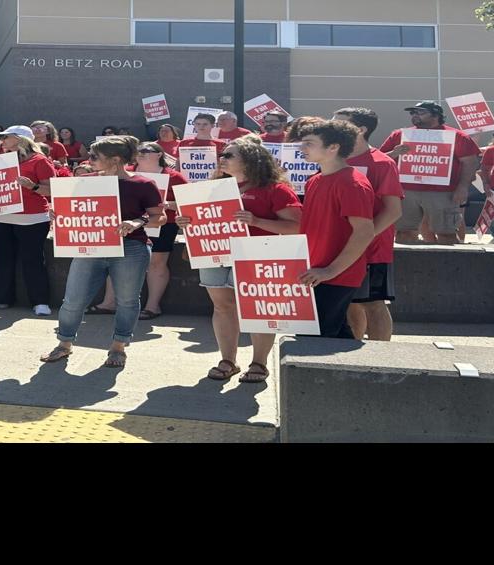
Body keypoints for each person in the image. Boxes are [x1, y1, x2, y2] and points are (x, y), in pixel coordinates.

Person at [176, 138, 301, 384]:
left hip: (256, 255)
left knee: (258, 309)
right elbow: (203, 220)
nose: (222, 158)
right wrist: (187, 223)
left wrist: (256, 222)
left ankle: (259, 363)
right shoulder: (211, 188)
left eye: (229, 155)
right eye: (222, 154)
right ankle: (228, 361)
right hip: (215, 254)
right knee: (222, 307)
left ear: (251, 159)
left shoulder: (275, 189)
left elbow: (296, 226)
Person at [38, 135, 164, 370]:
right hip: (91, 246)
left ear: (115, 160)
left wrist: (138, 222)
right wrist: (59, 213)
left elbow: (160, 217)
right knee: (73, 300)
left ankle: (118, 347)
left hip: (131, 247)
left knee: (126, 301)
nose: (90, 159)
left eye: (96, 156)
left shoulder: (142, 184)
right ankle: (64, 344)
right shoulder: (85, 181)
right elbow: (73, 209)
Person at [294, 119, 377, 340]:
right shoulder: (315, 181)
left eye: (309, 143)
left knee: (313, 341)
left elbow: (364, 232)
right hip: (315, 272)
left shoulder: (352, 184)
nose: (302, 148)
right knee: (332, 339)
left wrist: (330, 270)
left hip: (335, 275)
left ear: (333, 147)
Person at [88, 141, 188, 320]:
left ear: (159, 155)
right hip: (122, 225)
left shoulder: (174, 176)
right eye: (139, 150)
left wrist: (170, 204)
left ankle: (152, 306)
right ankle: (109, 302)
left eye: (146, 150)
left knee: (157, 263)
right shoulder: (118, 174)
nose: (141, 153)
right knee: (115, 261)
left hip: (163, 225)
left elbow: (189, 200)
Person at [333, 107, 405, 342]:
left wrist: (365, 236)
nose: (332, 126)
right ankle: (356, 353)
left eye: (339, 122)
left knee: (374, 304)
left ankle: (380, 358)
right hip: (341, 245)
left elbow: (393, 210)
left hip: (374, 249)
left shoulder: (382, 163)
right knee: (351, 302)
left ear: (361, 129)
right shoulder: (333, 160)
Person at [379, 101, 482, 245]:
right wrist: (395, 152)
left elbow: (470, 162)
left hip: (443, 193)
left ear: (436, 115)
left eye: (420, 112)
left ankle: (450, 266)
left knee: (447, 235)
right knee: (404, 234)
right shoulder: (400, 134)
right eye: (413, 113)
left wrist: (463, 187)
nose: (415, 116)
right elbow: (380, 159)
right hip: (406, 192)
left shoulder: (457, 136)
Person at [0, 125, 58, 316]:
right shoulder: (0, 160)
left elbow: (53, 190)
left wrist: (32, 186)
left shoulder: (40, 161)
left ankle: (40, 301)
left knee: (33, 260)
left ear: (20, 139)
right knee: (2, 259)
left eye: (6, 136)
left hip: (32, 218)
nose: (1, 140)